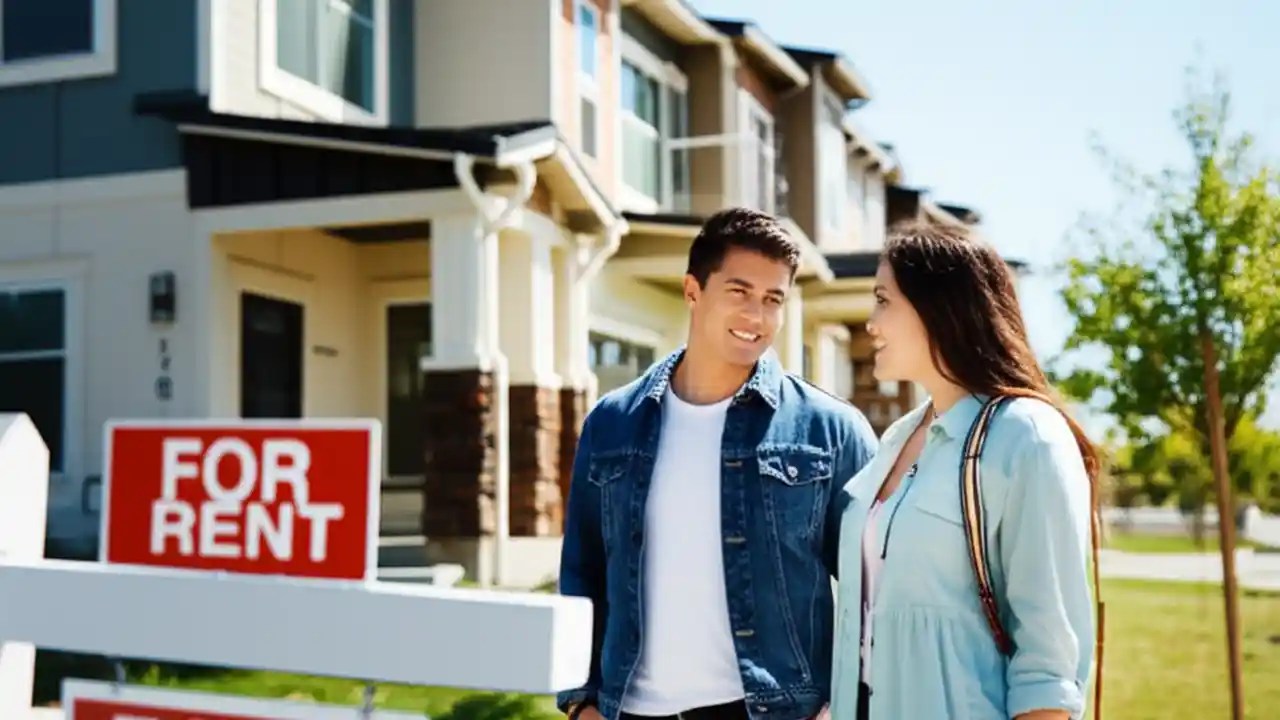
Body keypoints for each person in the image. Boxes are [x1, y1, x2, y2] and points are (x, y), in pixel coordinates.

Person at [557, 207, 878, 720]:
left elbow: (877, 589)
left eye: (773, 299)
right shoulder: (611, 423)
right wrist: (581, 702)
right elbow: (581, 572)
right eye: (739, 292)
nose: (756, 315)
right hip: (631, 710)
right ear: (692, 291)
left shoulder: (830, 430)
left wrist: (845, 707)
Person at [829, 220, 1102, 720]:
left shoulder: (1027, 437)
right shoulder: (895, 439)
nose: (871, 321)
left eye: (884, 300)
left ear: (939, 308)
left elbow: (1049, 665)